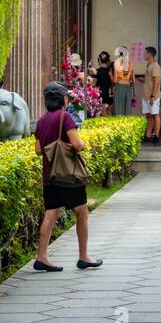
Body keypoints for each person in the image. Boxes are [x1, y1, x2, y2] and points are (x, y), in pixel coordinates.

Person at [33, 82, 102, 273]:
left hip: (50, 175)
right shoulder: (65, 117)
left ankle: (42, 257)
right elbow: (77, 144)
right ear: (63, 99)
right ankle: (84, 256)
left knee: (50, 213)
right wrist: (80, 145)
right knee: (81, 212)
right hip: (68, 176)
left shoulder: (41, 120)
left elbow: (38, 150)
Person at [143, 45, 161, 143]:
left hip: (153, 96)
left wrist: (153, 96)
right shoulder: (148, 66)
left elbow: (157, 81)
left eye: (145, 53)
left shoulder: (155, 66)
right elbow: (150, 80)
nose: (143, 54)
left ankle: (157, 135)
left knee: (155, 115)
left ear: (150, 54)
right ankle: (148, 135)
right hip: (146, 95)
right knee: (149, 116)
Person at [112, 46, 133, 117]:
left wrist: (110, 76)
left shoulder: (116, 63)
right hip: (127, 88)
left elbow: (115, 80)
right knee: (127, 110)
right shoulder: (131, 64)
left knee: (118, 110)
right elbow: (133, 80)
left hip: (119, 87)